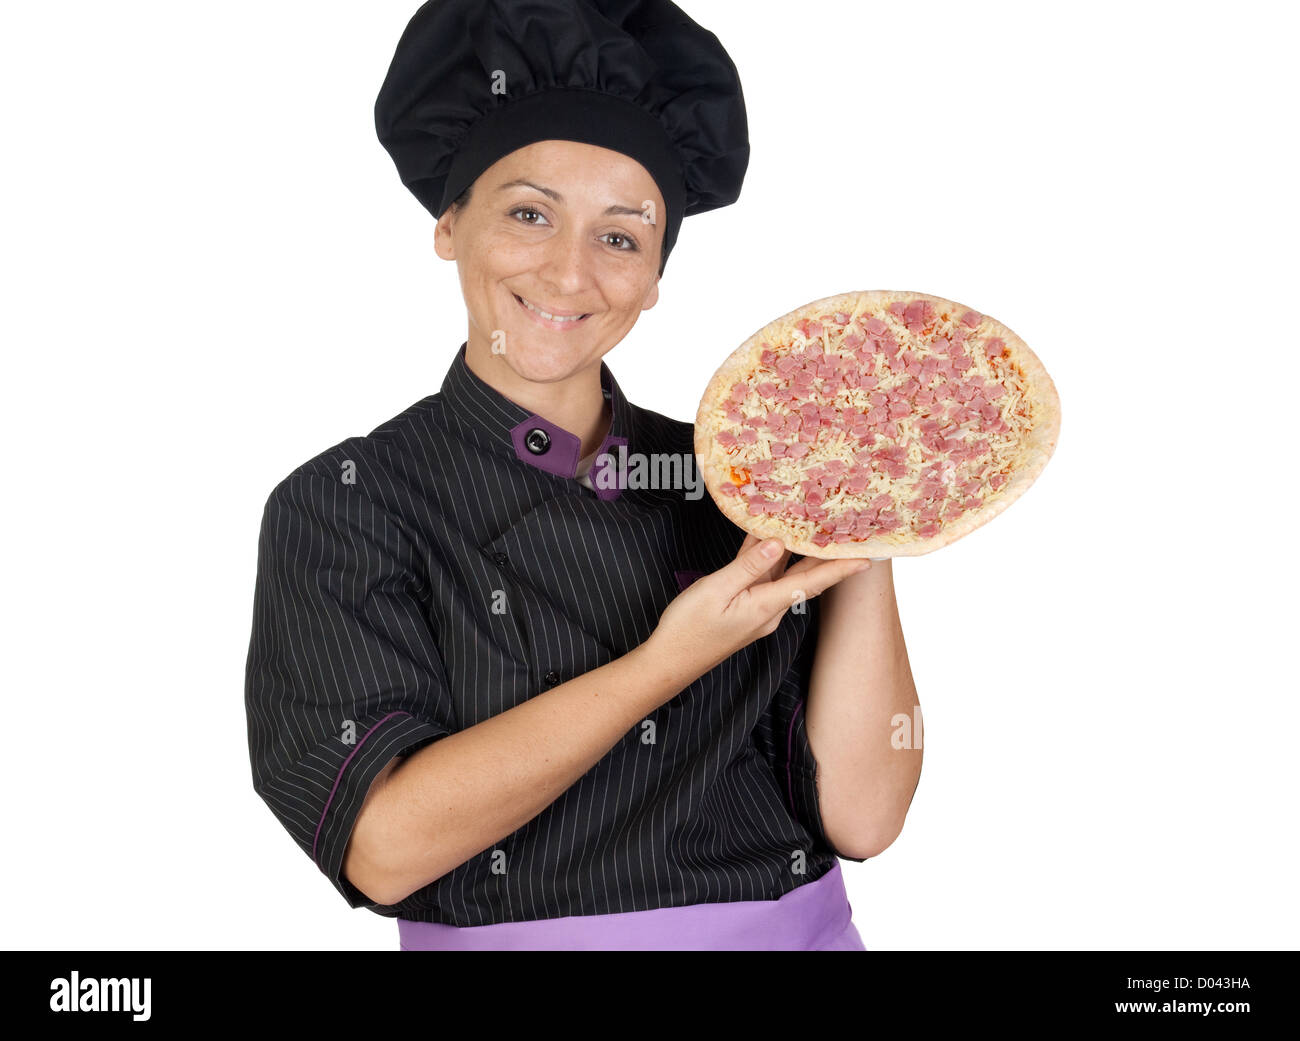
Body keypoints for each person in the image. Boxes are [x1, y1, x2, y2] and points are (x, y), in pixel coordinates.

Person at [244, 0, 922, 951]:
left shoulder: (740, 478)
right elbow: (383, 849)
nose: (569, 275)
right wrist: (666, 662)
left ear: (653, 278)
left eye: (620, 237)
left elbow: (865, 817)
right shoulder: (351, 501)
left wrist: (873, 517)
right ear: (449, 224)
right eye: (529, 213)